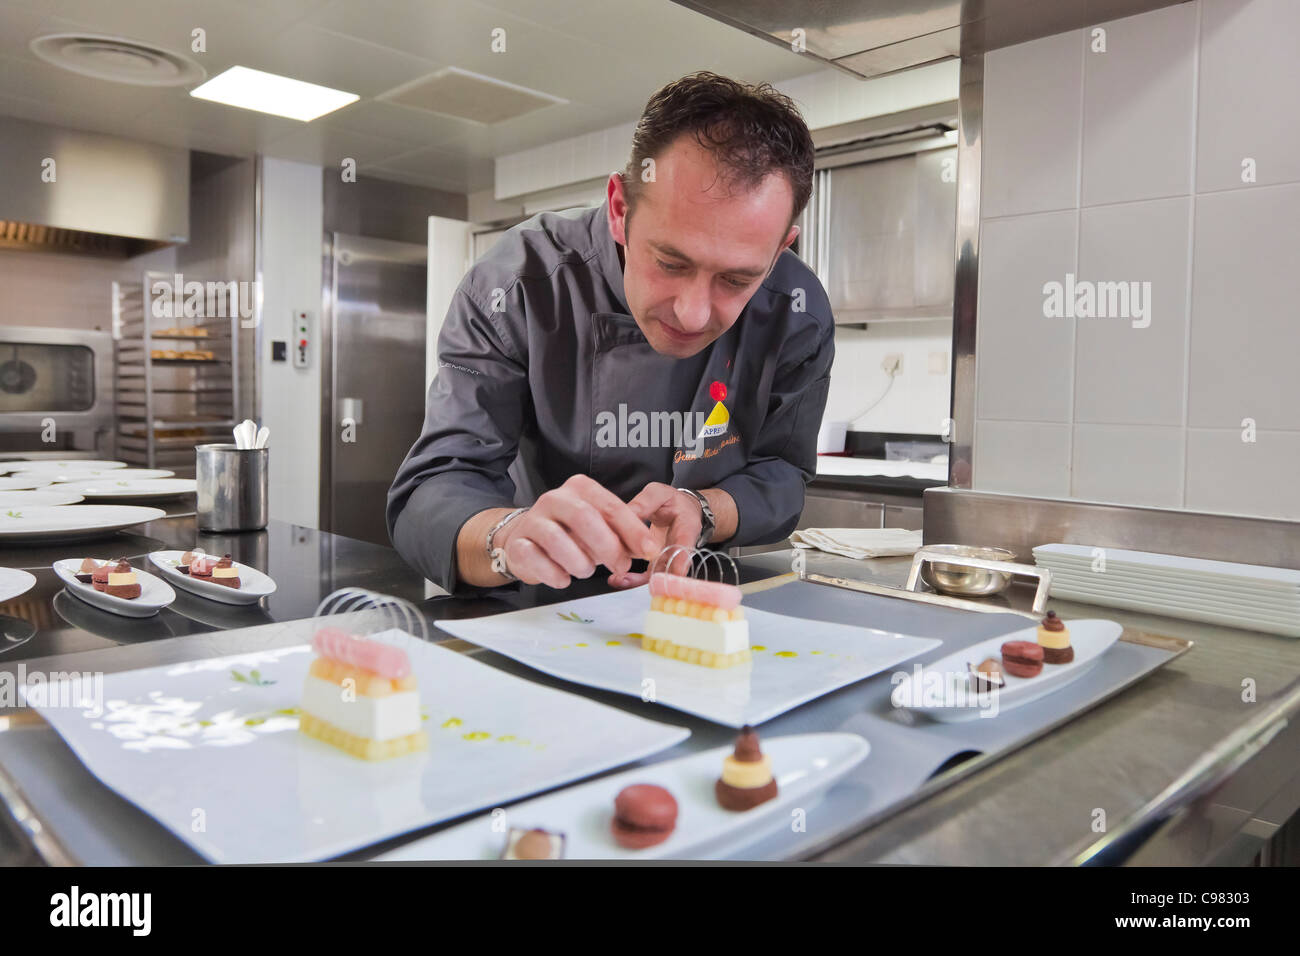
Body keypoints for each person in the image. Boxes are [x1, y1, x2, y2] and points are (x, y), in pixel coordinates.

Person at [387, 71, 834, 594]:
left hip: (695, 599)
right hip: (538, 600)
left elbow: (781, 472)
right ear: (620, 210)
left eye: (737, 280)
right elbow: (431, 489)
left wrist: (702, 509)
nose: (692, 315)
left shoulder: (797, 311)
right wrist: (508, 537)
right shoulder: (519, 282)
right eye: (670, 261)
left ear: (781, 250)